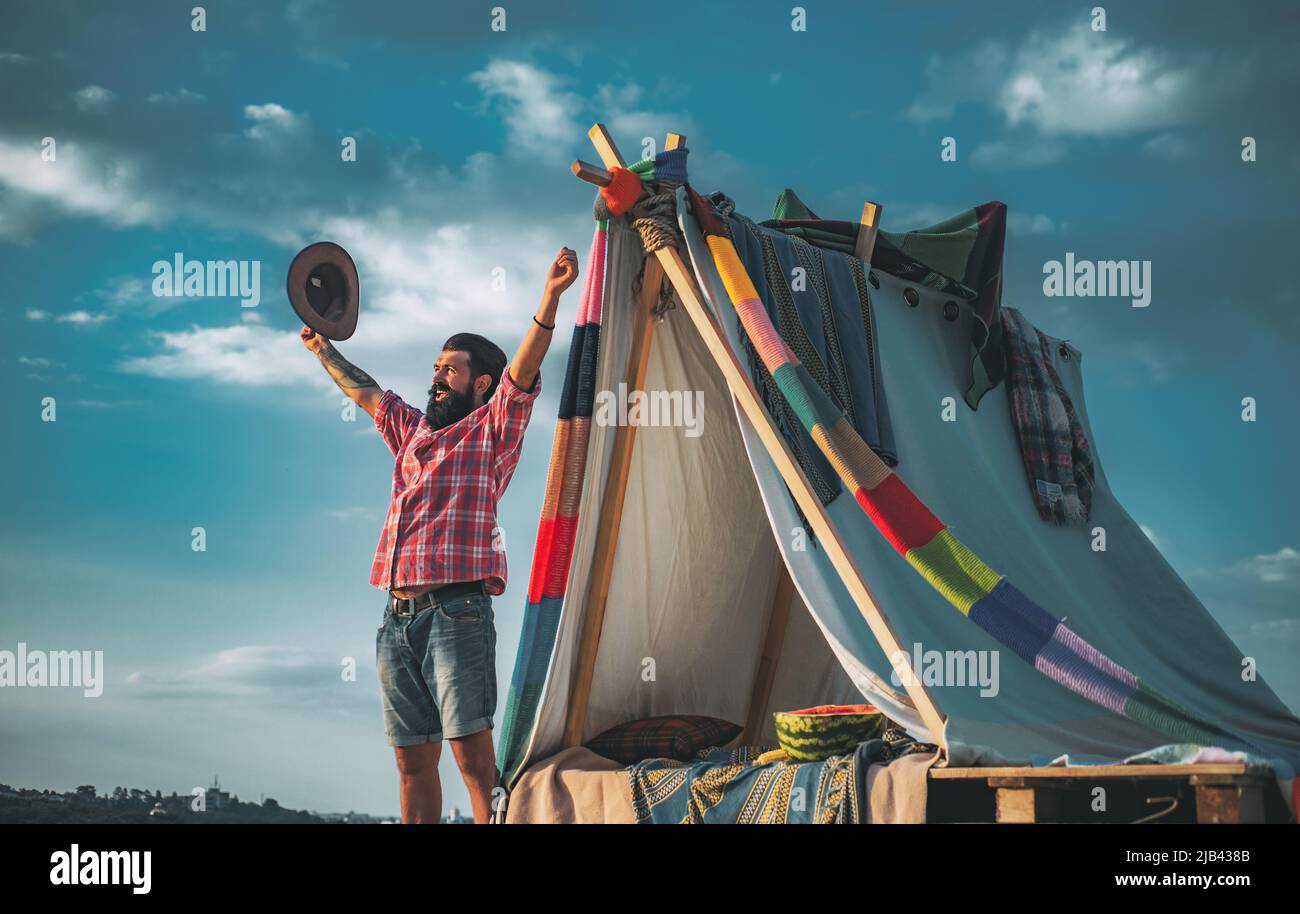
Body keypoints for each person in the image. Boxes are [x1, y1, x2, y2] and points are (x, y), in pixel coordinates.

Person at [300, 247, 580, 823]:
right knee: (411, 765)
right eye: (435, 369)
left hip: (458, 614)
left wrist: (549, 298)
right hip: (395, 619)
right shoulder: (413, 433)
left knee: (473, 761)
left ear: (480, 383)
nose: (436, 377)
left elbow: (522, 373)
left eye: (448, 369)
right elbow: (366, 391)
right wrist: (323, 349)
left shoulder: (491, 429)